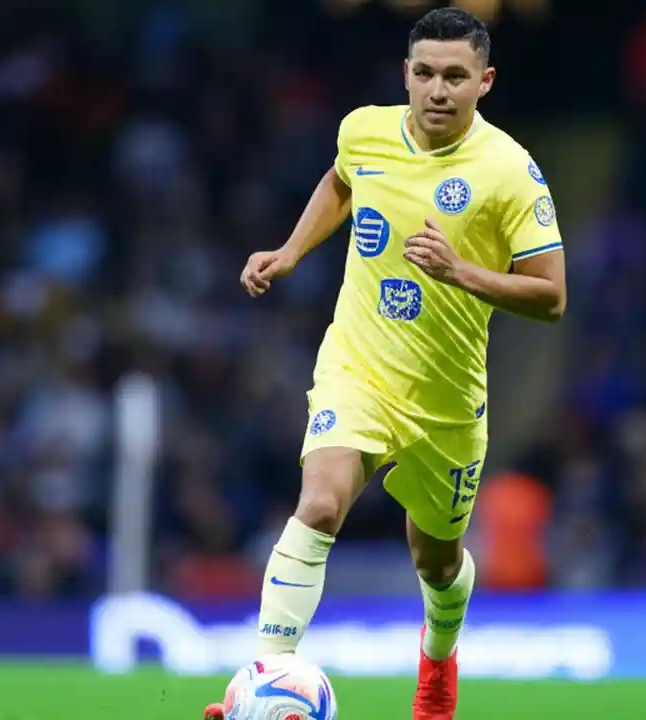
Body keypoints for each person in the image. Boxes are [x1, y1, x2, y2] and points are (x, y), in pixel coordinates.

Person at [205, 8, 566, 720]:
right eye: (424, 73)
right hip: (359, 365)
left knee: (436, 563)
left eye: (455, 77)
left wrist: (464, 273)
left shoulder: (509, 173)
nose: (437, 89)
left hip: (446, 398)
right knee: (320, 502)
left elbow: (551, 295)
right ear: (406, 73)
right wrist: (291, 250)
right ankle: (261, 683)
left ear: (484, 82)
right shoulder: (365, 128)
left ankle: (438, 661)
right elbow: (342, 182)